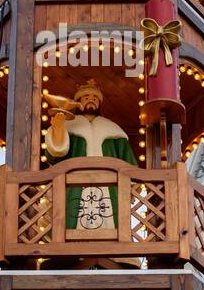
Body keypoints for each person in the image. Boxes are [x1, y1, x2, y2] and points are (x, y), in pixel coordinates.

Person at [44, 79, 137, 231]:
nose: (91, 101)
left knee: (111, 220)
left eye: (95, 98)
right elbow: (55, 156)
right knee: (73, 218)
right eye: (86, 97)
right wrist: (59, 129)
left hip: (108, 187)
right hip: (74, 186)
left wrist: (132, 185)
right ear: (79, 101)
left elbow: (129, 164)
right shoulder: (70, 127)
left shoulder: (113, 130)